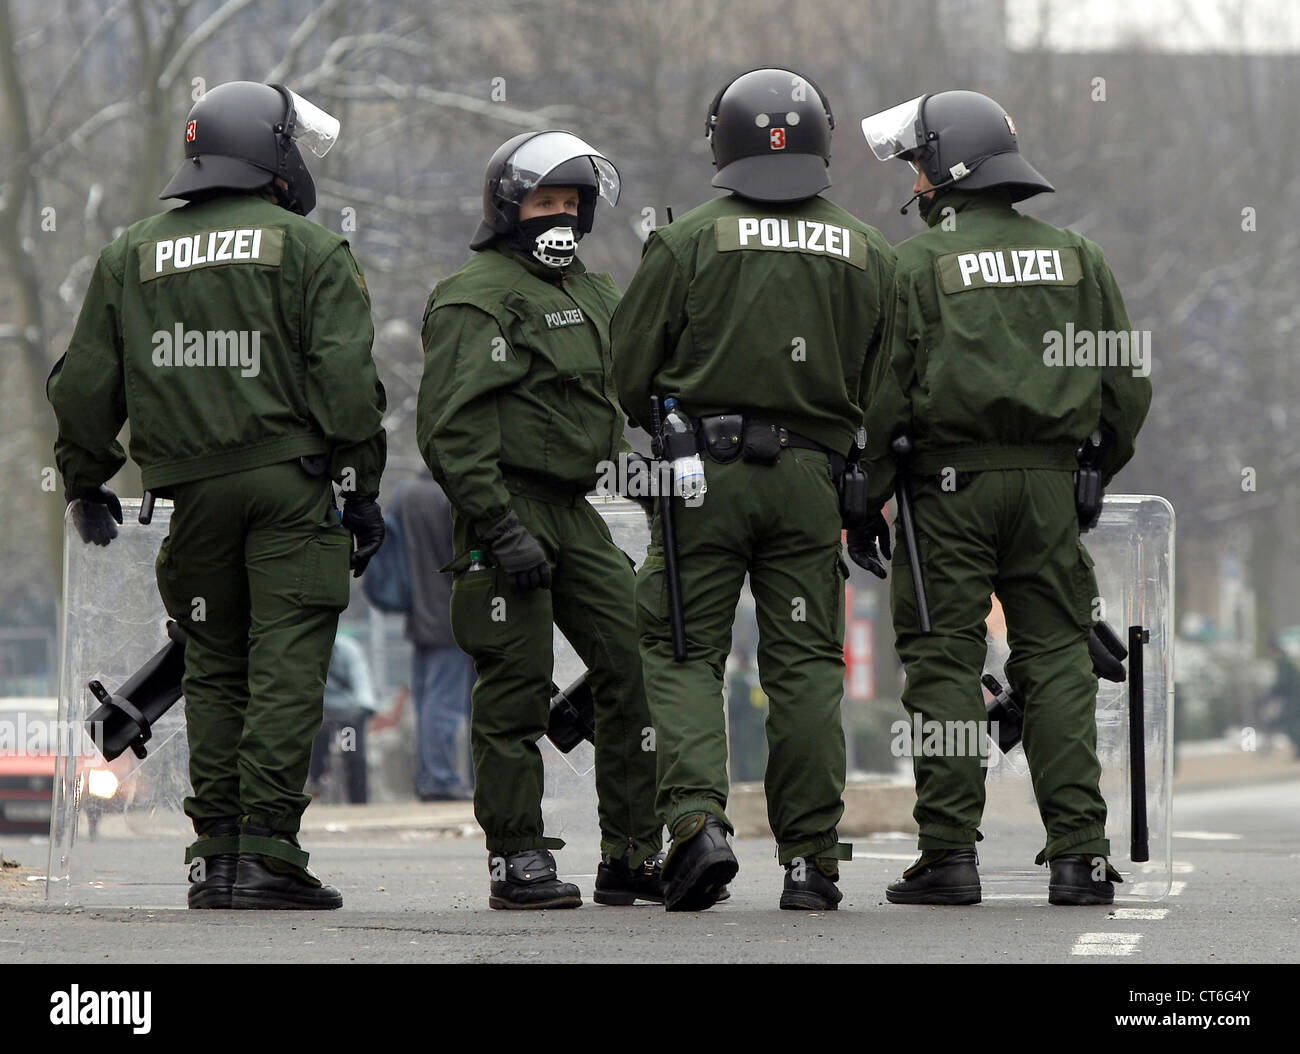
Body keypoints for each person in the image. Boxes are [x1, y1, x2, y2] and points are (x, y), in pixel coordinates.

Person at [47, 81, 388, 910]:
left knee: (216, 670)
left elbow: (86, 383)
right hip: (289, 491)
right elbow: (346, 386)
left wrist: (86, 477)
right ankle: (269, 852)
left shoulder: (130, 254)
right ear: (272, 154)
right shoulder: (310, 251)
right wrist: (361, 489)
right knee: (284, 666)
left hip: (190, 502)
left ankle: (217, 858)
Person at [611, 67, 896, 911]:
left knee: (682, 649)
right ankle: (812, 860)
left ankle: (697, 825)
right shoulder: (869, 253)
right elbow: (888, 389)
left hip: (702, 477)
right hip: (813, 480)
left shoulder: (684, 243)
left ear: (720, 143)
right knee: (805, 665)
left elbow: (626, 372)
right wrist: (859, 480)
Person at [858, 89, 1153, 905]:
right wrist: (1093, 466)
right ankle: (1079, 858)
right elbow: (1125, 382)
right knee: (1057, 656)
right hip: (1049, 487)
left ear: (946, 171)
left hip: (946, 493)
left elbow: (885, 394)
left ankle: (949, 856)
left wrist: (864, 498)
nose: (913, 181)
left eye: (918, 165)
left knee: (945, 659)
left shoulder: (915, 265)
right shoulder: (1079, 256)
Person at [417, 130, 662, 909]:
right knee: (514, 688)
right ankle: (515, 855)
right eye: (543, 202)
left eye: (571, 203)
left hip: (575, 509)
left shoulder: (596, 293)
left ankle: (631, 852)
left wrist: (648, 482)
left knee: (637, 661)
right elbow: (450, 428)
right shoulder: (476, 294)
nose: (559, 216)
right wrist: (497, 523)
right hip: (506, 508)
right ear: (508, 206)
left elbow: (606, 410)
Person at [390, 470, 475, 801]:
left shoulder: (405, 492)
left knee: (427, 700)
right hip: (449, 614)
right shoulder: (447, 496)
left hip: (417, 612)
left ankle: (429, 776)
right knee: (448, 702)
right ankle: (440, 780)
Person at [309, 629, 379, 804]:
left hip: (348, 715)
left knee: (352, 752)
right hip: (320, 713)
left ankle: (358, 803)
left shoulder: (349, 650)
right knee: (316, 752)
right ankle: (316, 788)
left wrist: (364, 708)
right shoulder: (306, 652)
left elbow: (361, 681)